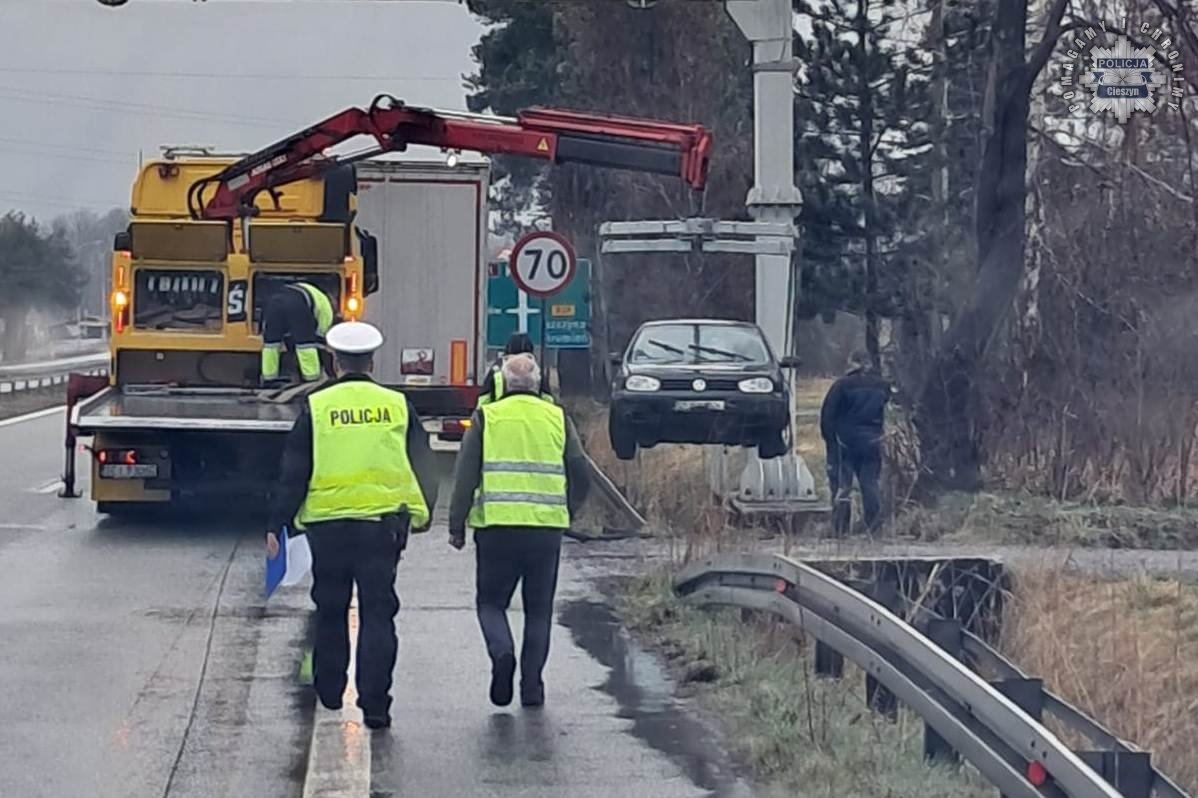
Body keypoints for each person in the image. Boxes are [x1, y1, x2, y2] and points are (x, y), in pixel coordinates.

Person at [266, 320, 439, 730]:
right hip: (382, 526)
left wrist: (277, 523)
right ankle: (376, 705)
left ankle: (329, 691)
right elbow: (423, 462)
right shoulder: (396, 404)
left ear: (334, 360)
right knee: (379, 612)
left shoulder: (317, 407)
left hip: (328, 526)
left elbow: (294, 470)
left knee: (330, 608)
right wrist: (424, 512)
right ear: (372, 362)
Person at [448, 353, 590, 708]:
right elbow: (581, 473)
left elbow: (464, 476)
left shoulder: (487, 418)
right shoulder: (558, 418)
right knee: (539, 611)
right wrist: (566, 509)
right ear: (538, 383)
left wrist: (456, 526)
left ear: (503, 383)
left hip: (496, 529)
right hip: (545, 532)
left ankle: (501, 651)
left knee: (490, 603)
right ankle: (532, 687)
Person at [819, 350, 892, 536]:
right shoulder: (882, 386)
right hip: (873, 440)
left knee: (843, 485)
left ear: (853, 362)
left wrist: (830, 442)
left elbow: (827, 416)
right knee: (870, 483)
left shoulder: (842, 386)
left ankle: (840, 529)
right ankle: (874, 526)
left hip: (845, 441)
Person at [261, 281, 337, 384]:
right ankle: (312, 380)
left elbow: (290, 339)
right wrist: (329, 372)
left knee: (271, 343)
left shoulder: (314, 293)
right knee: (306, 344)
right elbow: (318, 344)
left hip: (274, 301)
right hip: (297, 303)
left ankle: (268, 378)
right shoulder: (327, 309)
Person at [477, 332, 543, 407]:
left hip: (500, 414)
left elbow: (484, 398)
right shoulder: (536, 371)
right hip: (533, 415)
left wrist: (481, 415)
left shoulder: (497, 369)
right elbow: (548, 399)